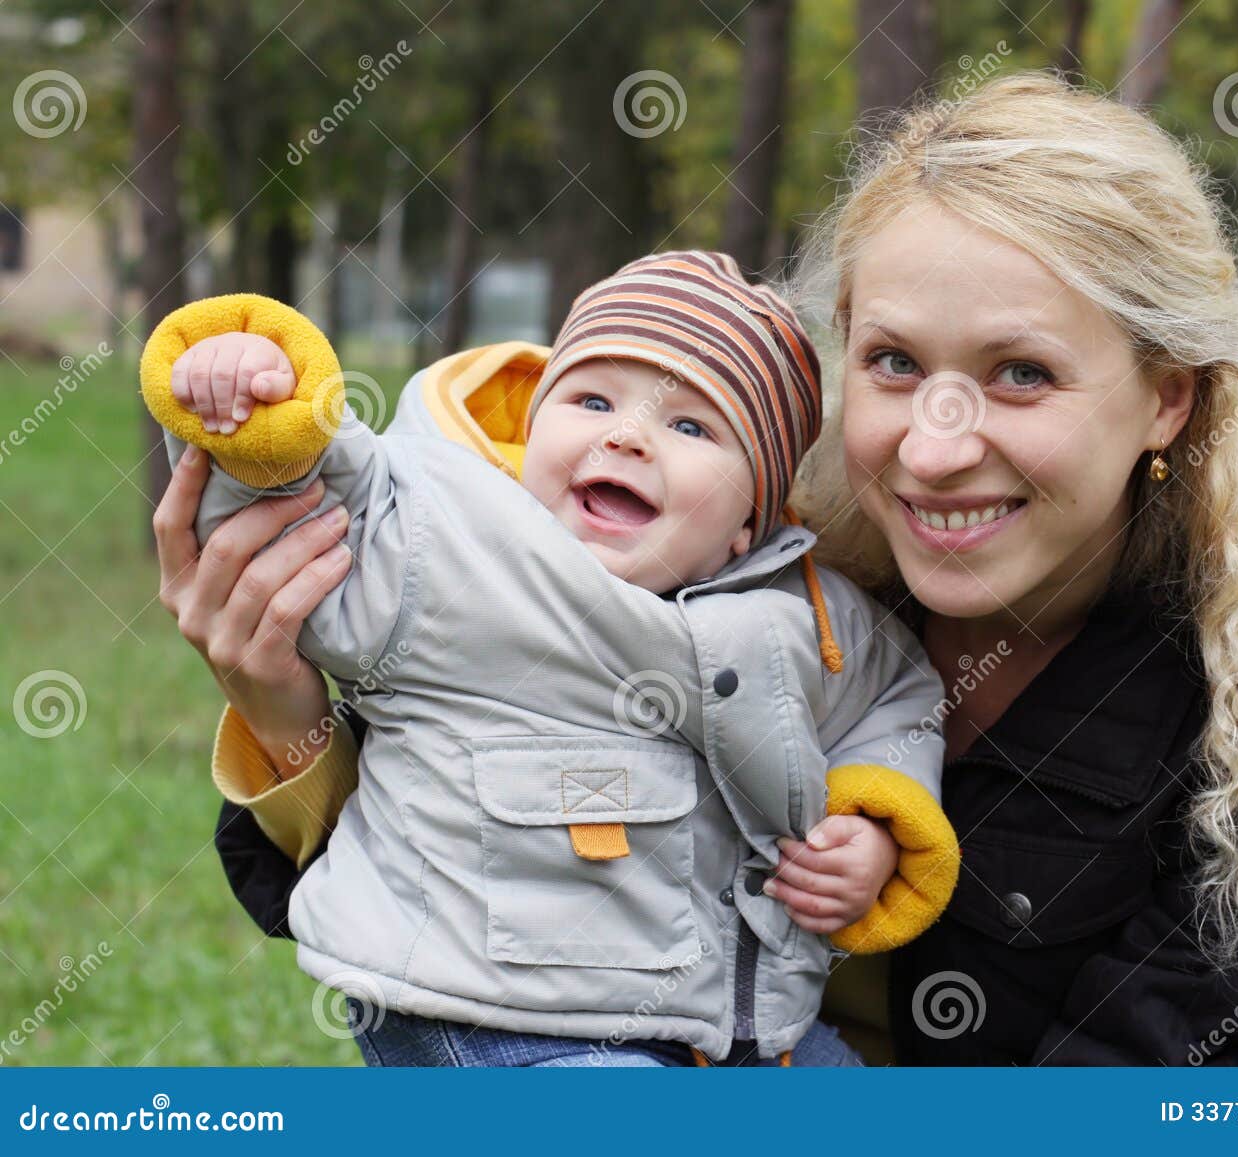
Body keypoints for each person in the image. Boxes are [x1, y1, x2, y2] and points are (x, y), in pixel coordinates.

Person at [164, 73, 1238, 1066]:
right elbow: (407, 882)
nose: (933, 446)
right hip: (647, 1055)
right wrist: (288, 718)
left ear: (1164, 398)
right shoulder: (725, 554)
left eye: (1021, 373)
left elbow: (1125, 1073)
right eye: (896, 362)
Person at [141, 251, 958, 1067]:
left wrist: (873, 823)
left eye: (690, 426)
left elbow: (895, 699)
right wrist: (256, 396)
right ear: (531, 435)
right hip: (487, 1014)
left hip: (737, 1033)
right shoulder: (444, 541)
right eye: (592, 398)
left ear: (752, 520)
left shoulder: (801, 613)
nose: (627, 434)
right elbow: (306, 495)